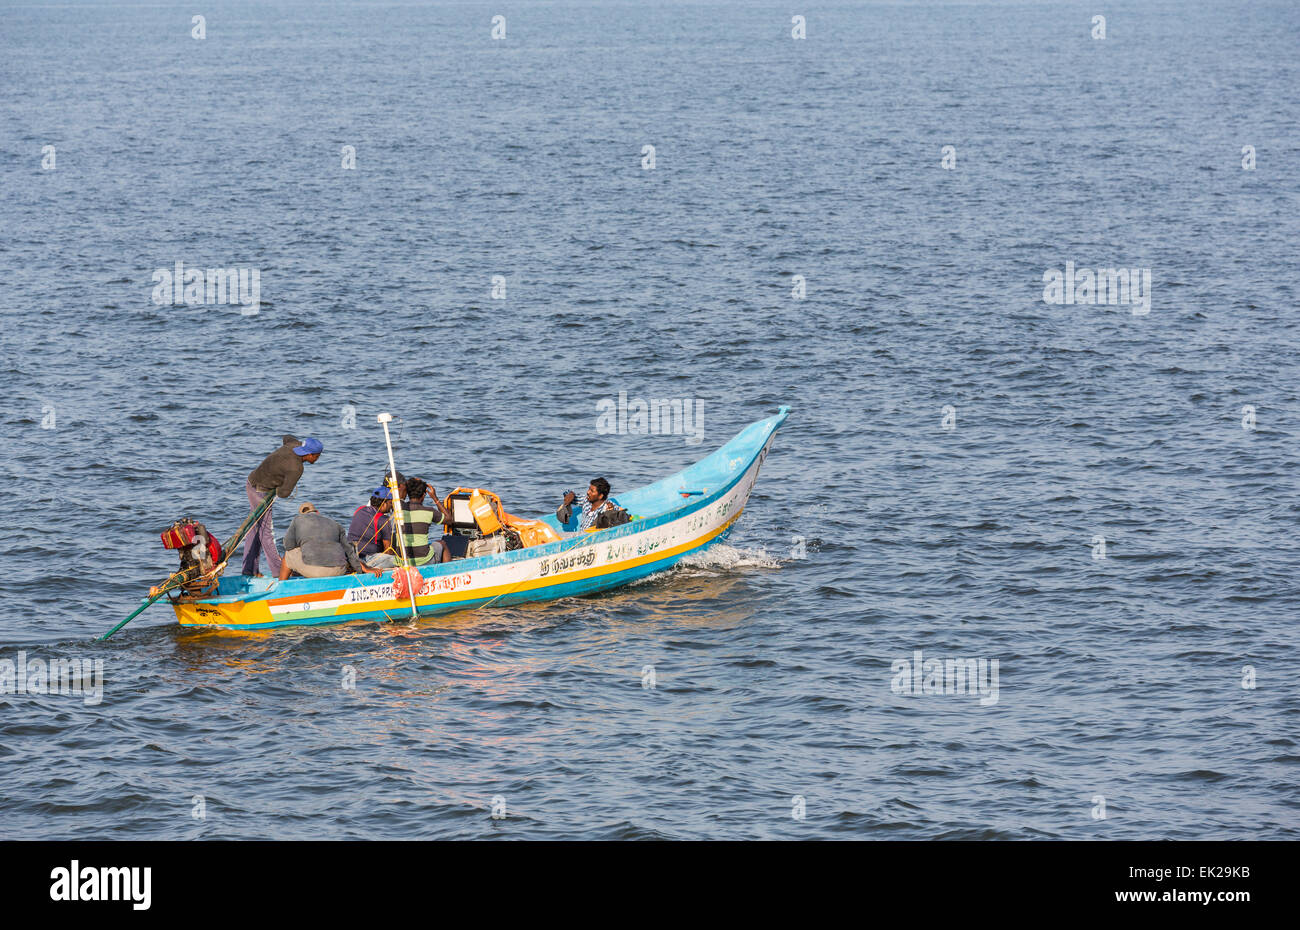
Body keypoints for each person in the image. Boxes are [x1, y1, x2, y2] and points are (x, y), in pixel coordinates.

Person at [242, 435, 322, 577]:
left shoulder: (293, 444)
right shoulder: (296, 468)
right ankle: (278, 571)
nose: (317, 459)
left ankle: (249, 570)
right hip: (261, 491)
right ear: (310, 454)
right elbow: (284, 493)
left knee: (255, 528)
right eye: (317, 456)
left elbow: (287, 438)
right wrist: (281, 482)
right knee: (267, 531)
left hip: (251, 481)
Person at [279, 503, 382, 580]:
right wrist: (364, 569)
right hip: (338, 570)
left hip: (317, 572)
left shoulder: (298, 520)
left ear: (301, 515)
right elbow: (349, 552)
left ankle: (281, 587)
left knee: (288, 556)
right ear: (317, 512)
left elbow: (288, 546)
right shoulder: (335, 523)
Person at [401, 478, 454, 565]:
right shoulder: (429, 511)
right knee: (442, 543)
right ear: (423, 495)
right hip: (424, 561)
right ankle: (448, 570)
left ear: (408, 493)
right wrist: (435, 498)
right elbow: (449, 520)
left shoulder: (399, 509)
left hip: (403, 561)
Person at [348, 486, 396, 570]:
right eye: (390, 503)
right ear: (384, 503)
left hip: (351, 556)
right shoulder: (383, 520)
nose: (391, 506)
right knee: (395, 560)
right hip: (367, 559)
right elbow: (388, 550)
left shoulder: (359, 509)